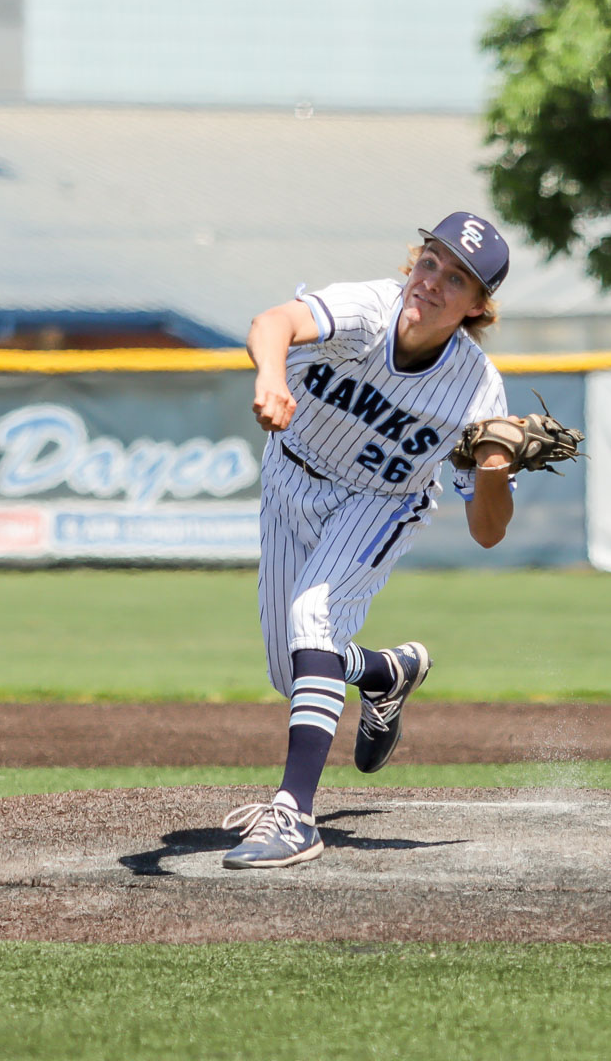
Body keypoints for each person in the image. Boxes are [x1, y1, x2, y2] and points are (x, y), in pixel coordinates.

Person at [221, 212, 522, 868]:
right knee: (292, 669)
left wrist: (495, 467)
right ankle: (386, 672)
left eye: (458, 279)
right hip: (290, 476)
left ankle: (294, 815)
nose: (433, 283)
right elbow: (272, 324)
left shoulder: (477, 391)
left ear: (477, 307)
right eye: (431, 262)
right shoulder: (366, 308)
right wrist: (271, 374)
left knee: (314, 621)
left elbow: (489, 531)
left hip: (380, 502)